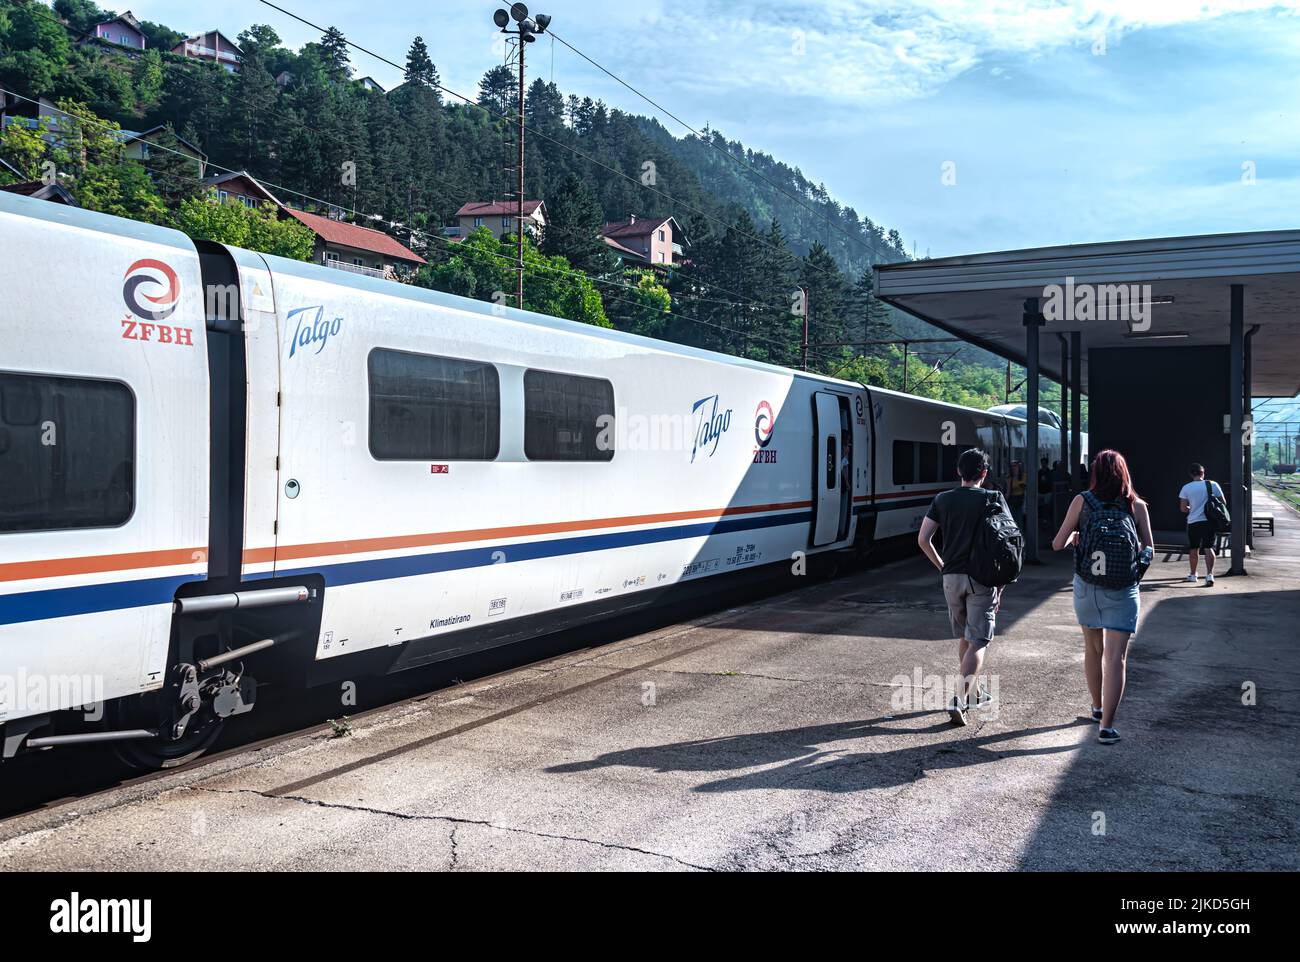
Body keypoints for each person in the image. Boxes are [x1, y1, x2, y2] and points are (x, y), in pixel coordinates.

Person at [1052, 449, 1154, 745]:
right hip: (1123, 589)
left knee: (1093, 649)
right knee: (1116, 658)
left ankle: (1096, 707)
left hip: (1087, 587)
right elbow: (1150, 551)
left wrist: (1075, 538)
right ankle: (1107, 727)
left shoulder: (1082, 501)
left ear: (1094, 472)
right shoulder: (1137, 506)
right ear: (1124, 473)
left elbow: (1057, 544)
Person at [917, 448, 1009, 727]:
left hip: (951, 577)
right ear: (984, 473)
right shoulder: (993, 498)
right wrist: (1001, 585)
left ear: (959, 471)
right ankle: (960, 699)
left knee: (966, 638)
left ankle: (975, 693)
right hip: (982, 577)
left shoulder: (942, 499)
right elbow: (1007, 543)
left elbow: (923, 540)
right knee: (979, 640)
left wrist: (943, 566)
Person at [1179, 463, 1225, 587]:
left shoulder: (1186, 488)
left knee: (1194, 548)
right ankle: (1209, 575)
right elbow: (1223, 502)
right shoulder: (1213, 485)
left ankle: (1193, 575)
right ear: (1203, 473)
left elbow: (1183, 508)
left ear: (1190, 474)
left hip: (1193, 522)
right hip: (1210, 521)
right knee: (1209, 547)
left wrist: (1192, 507)